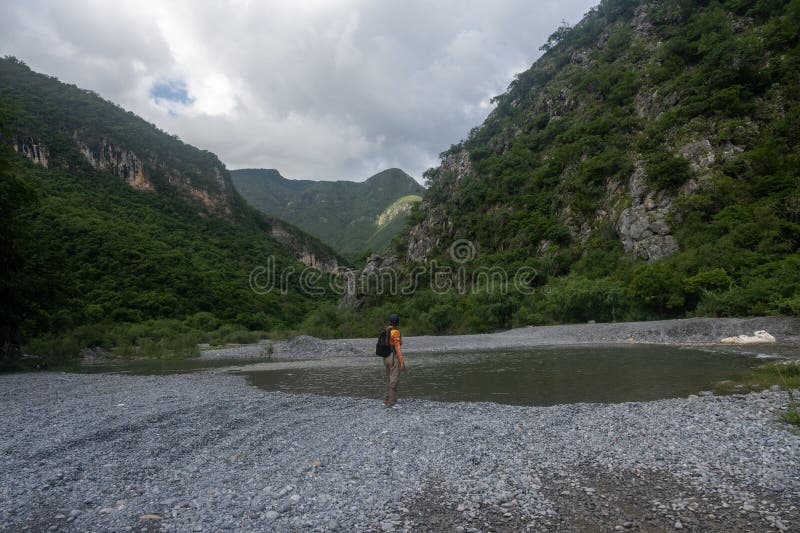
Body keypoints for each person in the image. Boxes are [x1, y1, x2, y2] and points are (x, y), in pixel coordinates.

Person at [383, 313, 405, 408]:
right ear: (398, 322)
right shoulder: (395, 332)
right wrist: (402, 362)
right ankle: (392, 402)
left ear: (390, 322)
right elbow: (397, 348)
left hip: (385, 357)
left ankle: (386, 400)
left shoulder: (385, 330)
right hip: (393, 357)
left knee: (389, 378)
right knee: (394, 380)